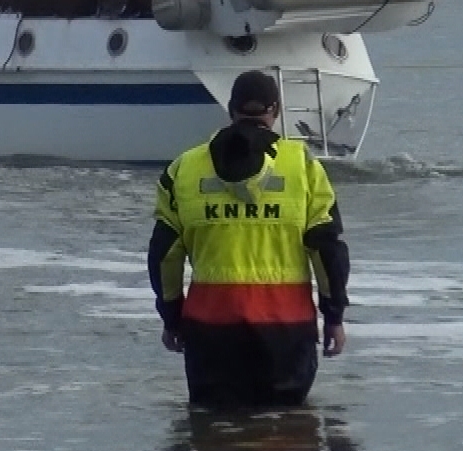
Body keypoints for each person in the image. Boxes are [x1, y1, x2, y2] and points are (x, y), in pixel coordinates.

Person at [148, 70, 350, 406]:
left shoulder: (184, 169)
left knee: (211, 437)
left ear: (230, 109)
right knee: (286, 438)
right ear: (276, 111)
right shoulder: (303, 167)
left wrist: (171, 318)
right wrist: (334, 317)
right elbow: (327, 249)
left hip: (210, 328)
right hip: (286, 329)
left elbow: (164, 254)